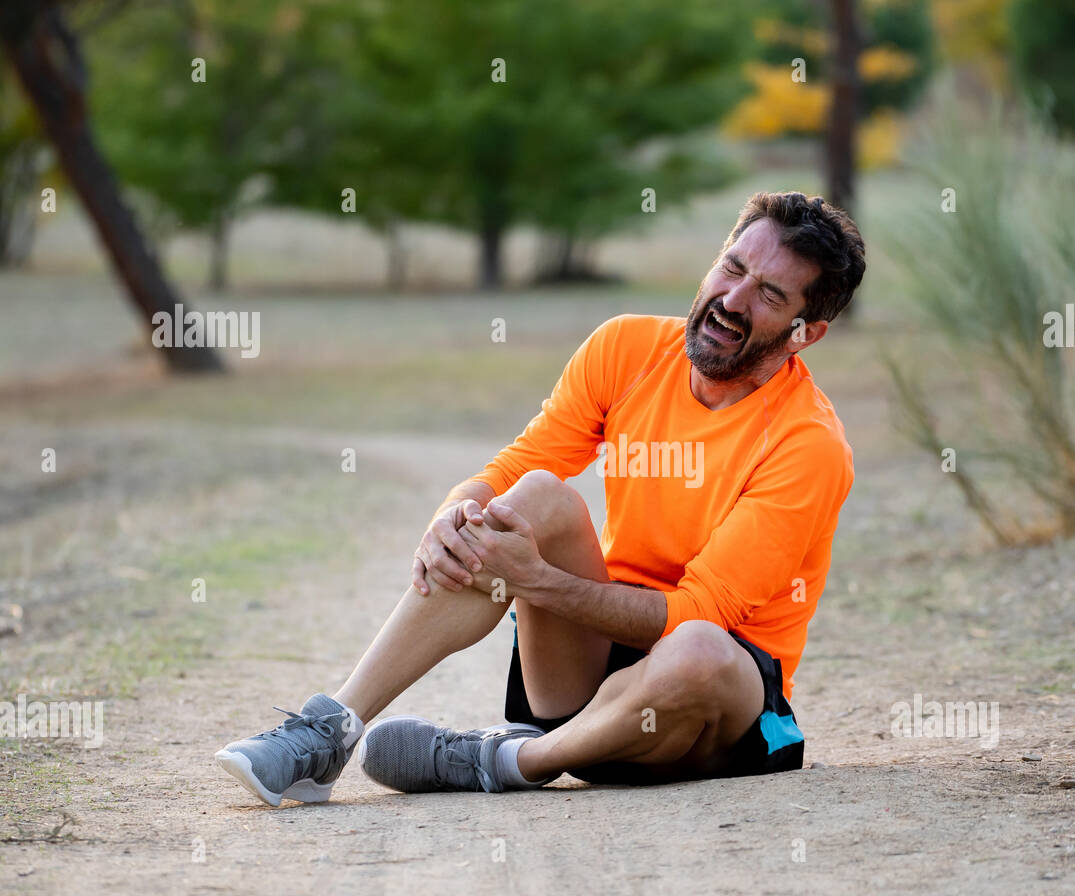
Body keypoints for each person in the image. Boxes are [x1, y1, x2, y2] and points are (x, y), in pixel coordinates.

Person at [215, 191, 865, 805]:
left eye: (769, 294)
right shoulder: (627, 348)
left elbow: (698, 611)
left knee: (697, 646)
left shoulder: (808, 444)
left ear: (806, 332)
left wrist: (540, 583)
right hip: (584, 678)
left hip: (707, 715)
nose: (731, 298)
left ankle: (502, 760)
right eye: (731, 267)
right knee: (534, 497)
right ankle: (329, 729)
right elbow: (518, 466)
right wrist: (451, 517)